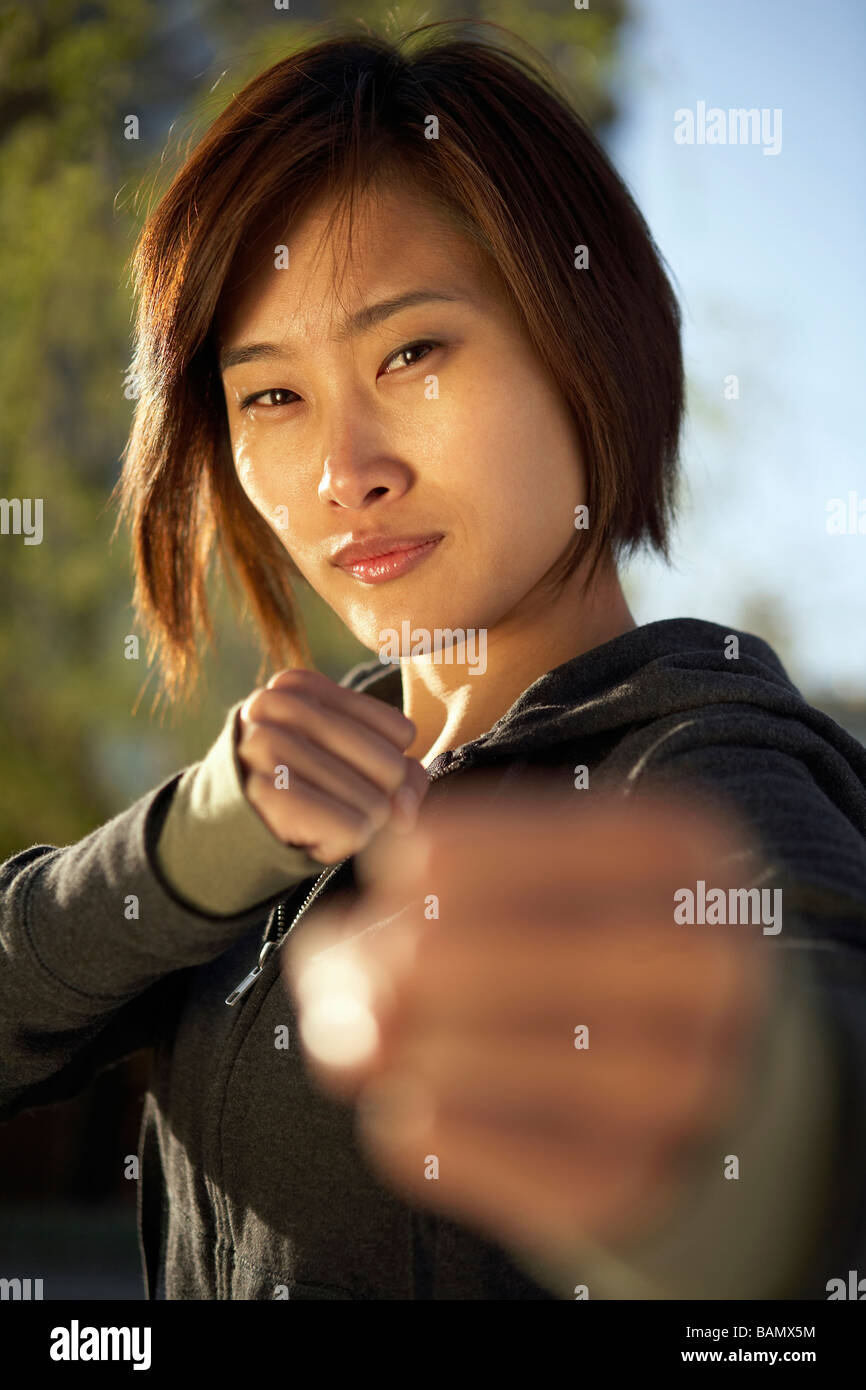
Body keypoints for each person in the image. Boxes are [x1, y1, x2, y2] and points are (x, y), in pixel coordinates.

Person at [2, 21, 865, 1302]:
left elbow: (812, 1079)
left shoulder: (697, 767)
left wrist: (735, 1158)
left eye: (410, 352)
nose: (346, 471)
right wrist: (191, 847)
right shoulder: (273, 804)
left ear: (586, 343)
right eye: (270, 397)